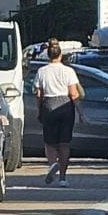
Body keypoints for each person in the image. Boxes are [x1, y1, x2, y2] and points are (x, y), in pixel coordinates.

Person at [35, 39, 81, 187]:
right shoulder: (68, 71)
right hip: (66, 105)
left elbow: (38, 93)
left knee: (50, 142)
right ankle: (63, 177)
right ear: (60, 55)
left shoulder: (42, 71)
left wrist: (39, 109)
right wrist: (80, 111)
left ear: (48, 55)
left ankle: (52, 163)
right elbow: (74, 93)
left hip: (49, 104)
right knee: (64, 143)